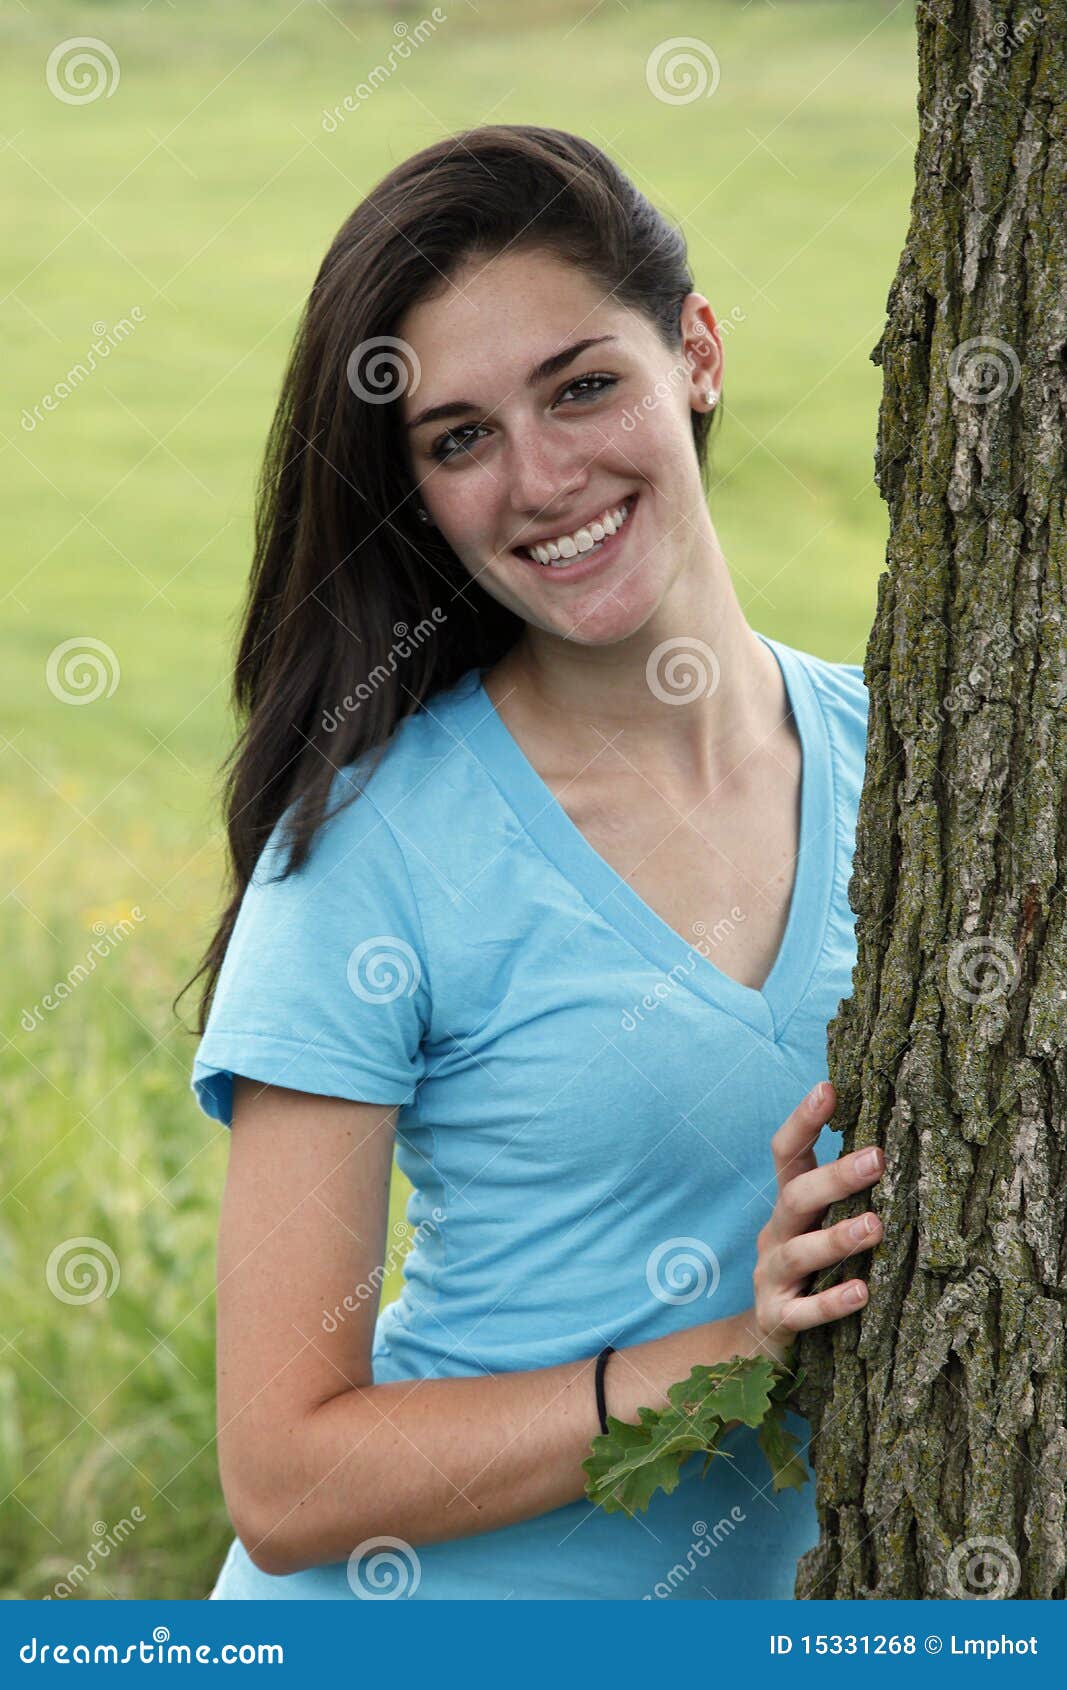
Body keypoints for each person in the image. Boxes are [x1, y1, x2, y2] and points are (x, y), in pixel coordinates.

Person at [182, 124, 884, 1601]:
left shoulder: (913, 768)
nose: (545, 477)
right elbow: (286, 1477)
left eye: (582, 385)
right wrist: (718, 1353)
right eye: (460, 437)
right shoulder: (367, 851)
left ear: (694, 352)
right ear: (418, 488)